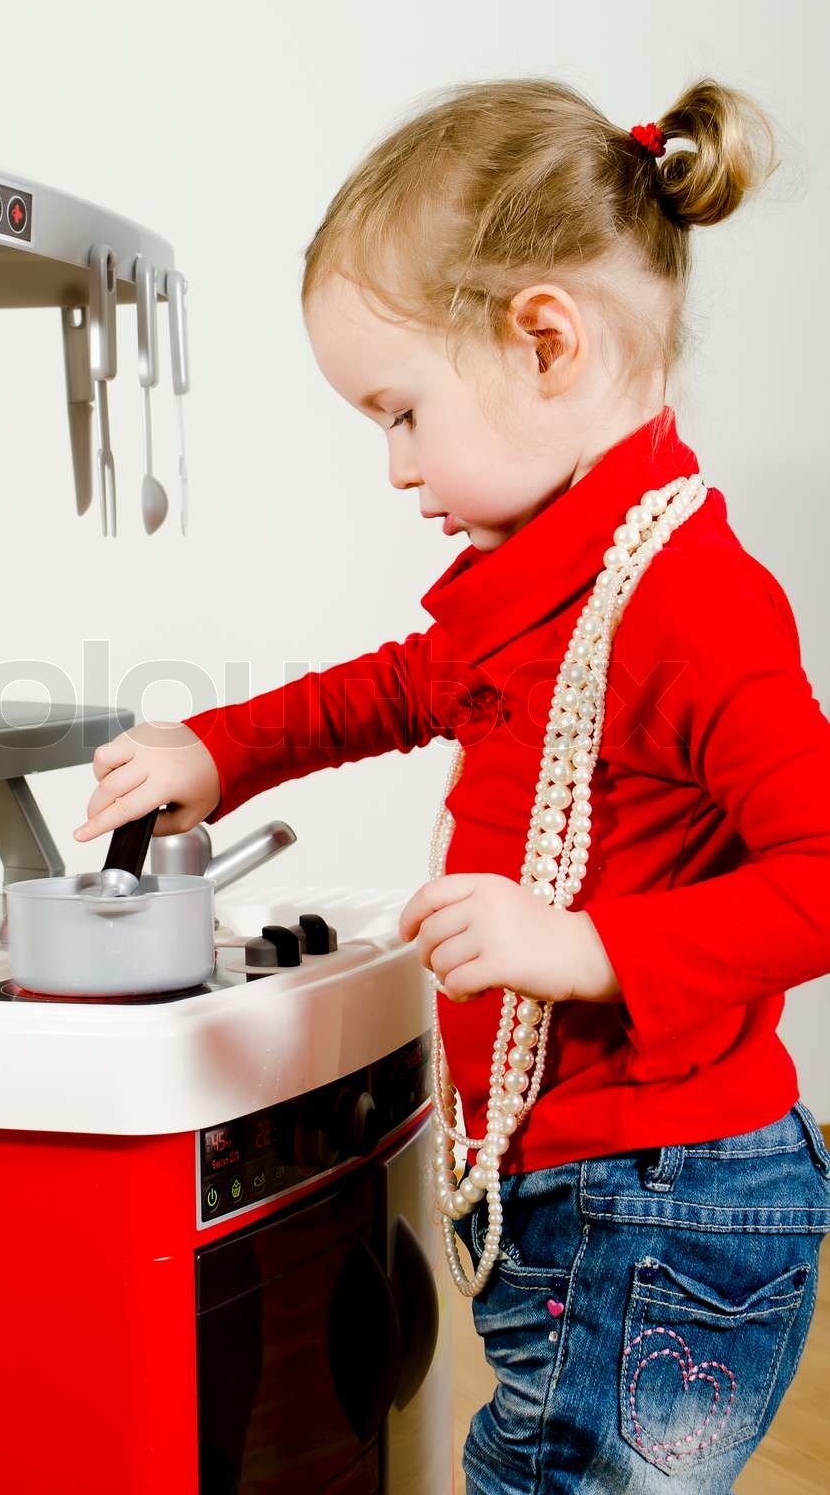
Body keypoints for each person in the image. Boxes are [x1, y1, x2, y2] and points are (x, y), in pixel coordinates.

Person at [73, 76, 830, 1492]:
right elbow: (395, 686)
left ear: (546, 341)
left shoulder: (688, 604)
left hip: (667, 1203)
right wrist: (216, 751)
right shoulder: (541, 588)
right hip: (585, 1194)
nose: (396, 465)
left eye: (402, 412)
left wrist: (588, 947)